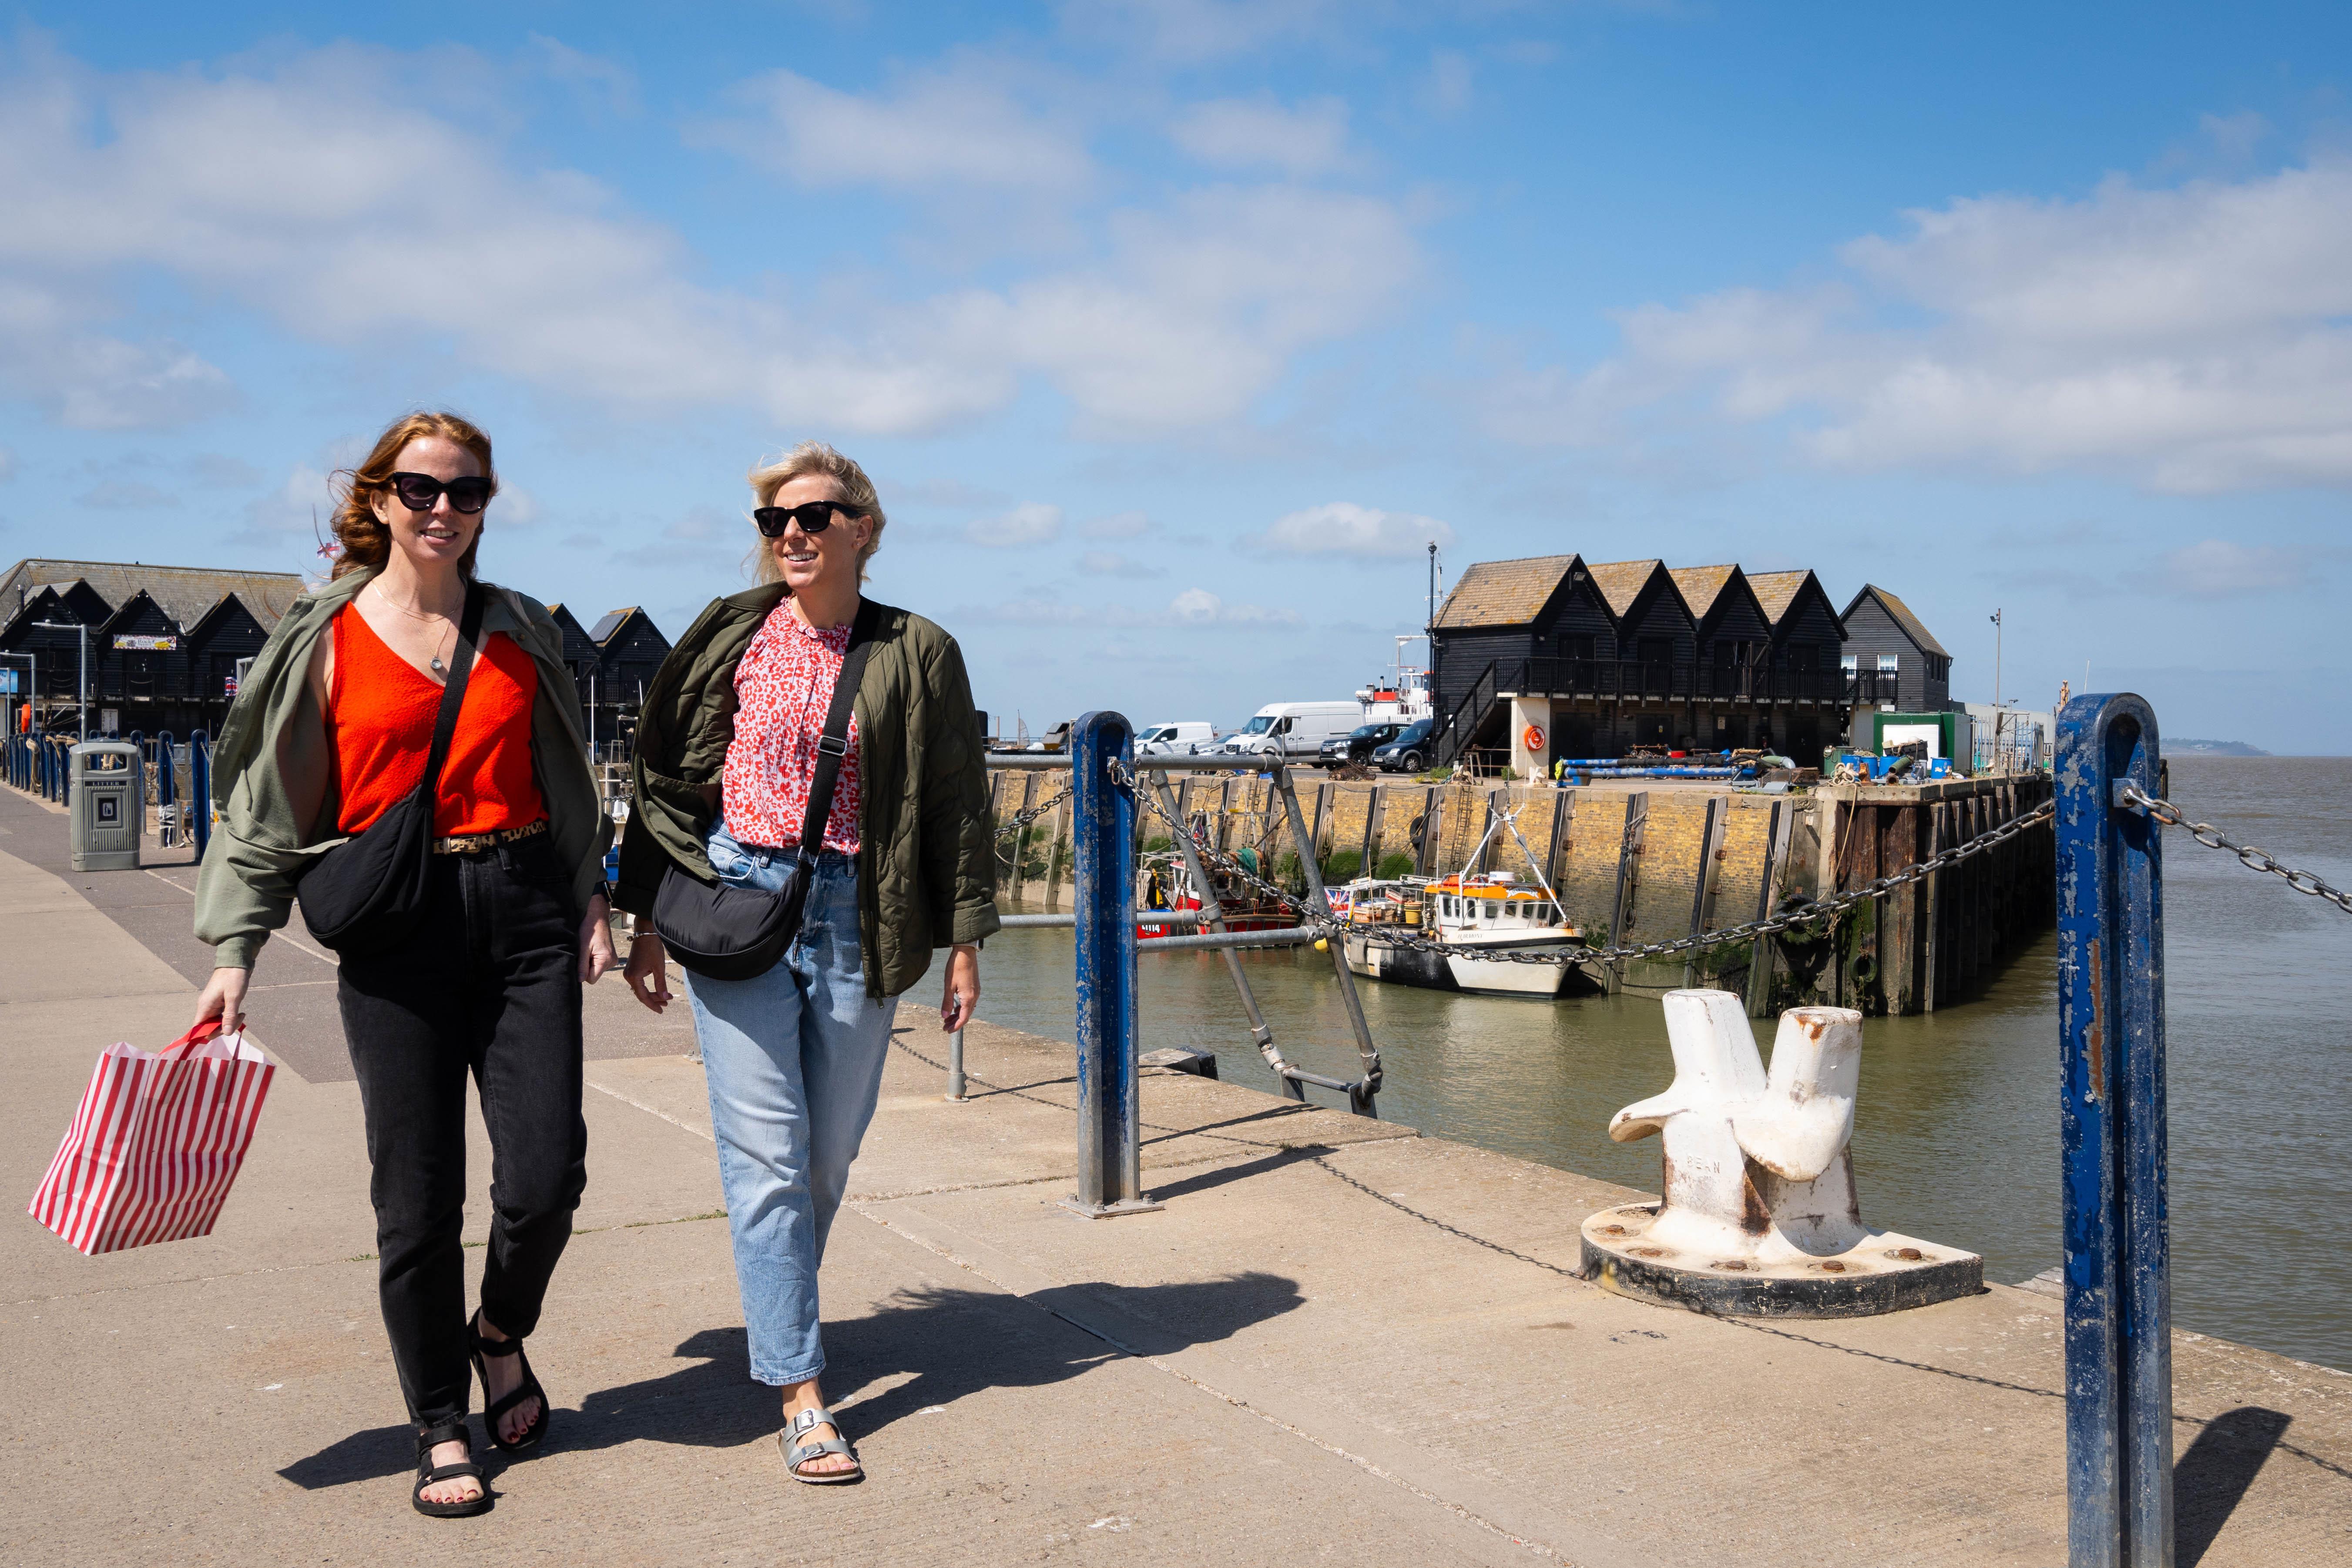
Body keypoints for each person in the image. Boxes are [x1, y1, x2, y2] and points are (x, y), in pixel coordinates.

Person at [191, 411, 615, 1518]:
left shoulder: (518, 628)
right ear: (378, 499)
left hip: (523, 910)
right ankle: (439, 1418)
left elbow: (564, 772)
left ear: (486, 505)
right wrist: (235, 952)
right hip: (398, 931)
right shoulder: (322, 640)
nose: (442, 509)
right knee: (417, 1197)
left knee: (545, 1175)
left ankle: (499, 1330)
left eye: (465, 491)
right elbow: (269, 805)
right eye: (421, 489)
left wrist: (592, 895)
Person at [616, 441, 996, 1484]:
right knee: (769, 1162)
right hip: (738, 895)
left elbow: (960, 800)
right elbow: (670, 779)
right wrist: (645, 913)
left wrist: (964, 937)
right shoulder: (732, 632)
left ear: (863, 529)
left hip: (856, 910)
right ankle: (800, 1389)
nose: (792, 532)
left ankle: (778, 1305)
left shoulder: (920, 649)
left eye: (816, 514)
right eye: (775, 518)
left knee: (826, 1158)